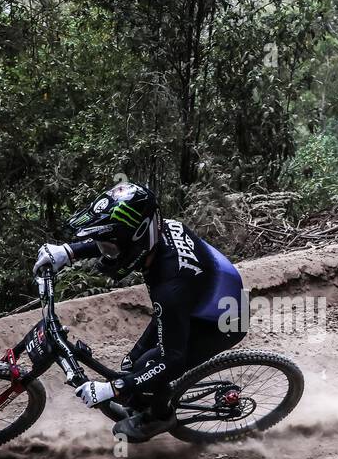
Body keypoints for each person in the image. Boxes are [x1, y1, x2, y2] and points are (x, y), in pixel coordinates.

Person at [33, 181, 245, 442]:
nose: (106, 254)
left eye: (109, 249)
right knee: (132, 365)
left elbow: (173, 360)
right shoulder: (157, 232)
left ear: (139, 239)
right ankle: (140, 395)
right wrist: (69, 251)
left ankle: (160, 417)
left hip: (223, 323)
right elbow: (118, 237)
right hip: (200, 297)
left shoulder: (169, 288)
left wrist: (115, 387)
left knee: (150, 366)